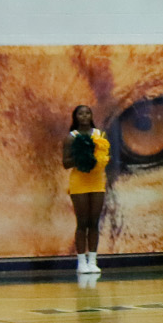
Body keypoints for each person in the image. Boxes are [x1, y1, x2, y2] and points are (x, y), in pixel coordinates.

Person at [63, 104, 110, 276]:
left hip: (97, 181)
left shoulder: (99, 135)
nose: (84, 116)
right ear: (75, 117)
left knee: (94, 222)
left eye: (87, 113)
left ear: (91, 116)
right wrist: (81, 156)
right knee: (82, 222)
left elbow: (105, 157)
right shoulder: (71, 137)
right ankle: (81, 261)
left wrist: (95, 156)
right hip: (79, 182)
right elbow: (65, 163)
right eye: (80, 114)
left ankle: (93, 260)